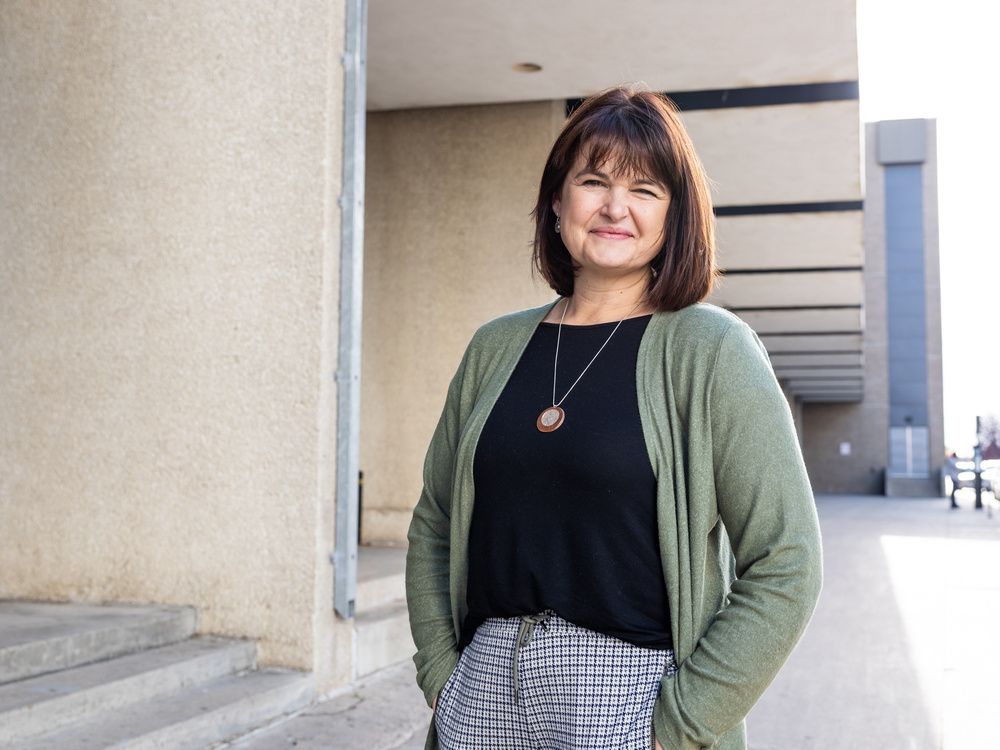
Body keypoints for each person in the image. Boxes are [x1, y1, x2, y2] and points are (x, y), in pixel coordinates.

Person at [405, 85, 823, 750]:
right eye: (593, 180)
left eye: (646, 189)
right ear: (556, 201)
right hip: (482, 686)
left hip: (628, 696)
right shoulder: (494, 346)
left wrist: (681, 722)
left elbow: (787, 559)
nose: (614, 207)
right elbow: (435, 520)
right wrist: (441, 673)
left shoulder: (711, 350)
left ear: (674, 215)